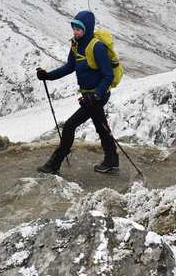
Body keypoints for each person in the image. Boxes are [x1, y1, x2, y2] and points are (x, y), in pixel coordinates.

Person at [35, 10, 119, 175]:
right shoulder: (76, 44)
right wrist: (47, 76)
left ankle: (54, 164)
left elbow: (108, 75)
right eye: (74, 28)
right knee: (101, 126)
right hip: (88, 96)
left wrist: (95, 95)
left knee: (69, 126)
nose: (75, 31)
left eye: (79, 28)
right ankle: (112, 159)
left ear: (87, 28)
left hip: (97, 96)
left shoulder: (97, 47)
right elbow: (69, 66)